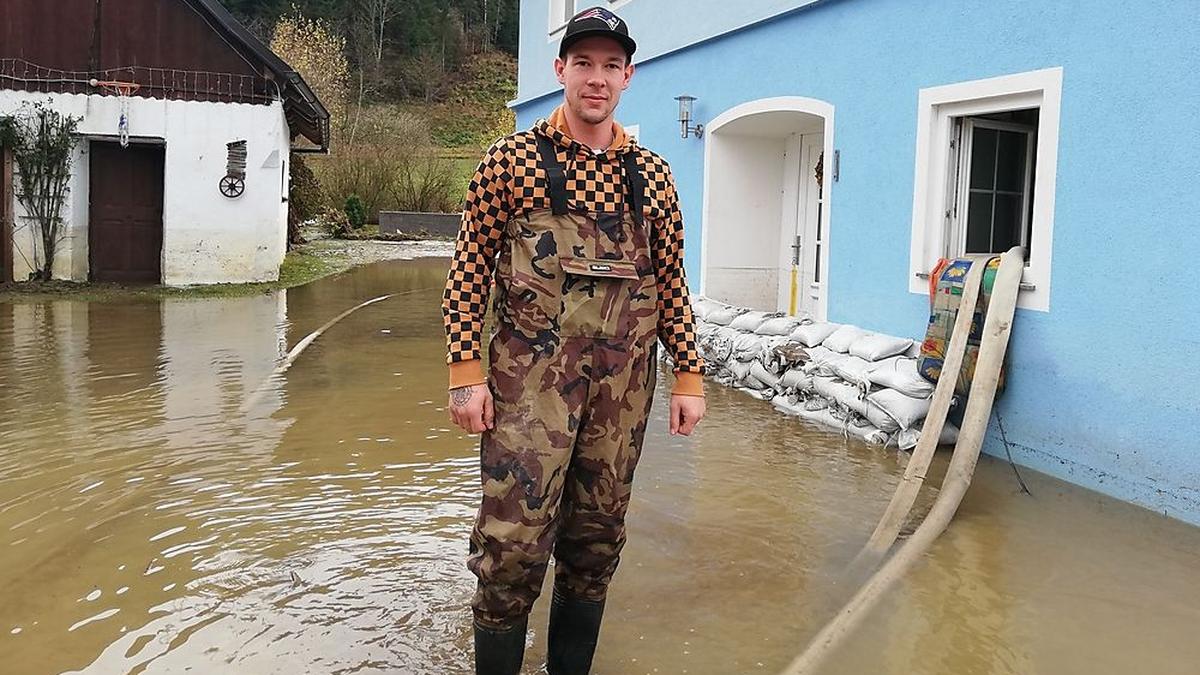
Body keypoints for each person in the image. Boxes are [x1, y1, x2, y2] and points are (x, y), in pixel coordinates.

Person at [441, 7, 706, 674]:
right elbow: (468, 269)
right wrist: (464, 372)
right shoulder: (510, 161)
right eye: (583, 63)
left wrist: (689, 375)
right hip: (527, 391)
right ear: (560, 69)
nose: (597, 78)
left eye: (610, 65)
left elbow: (671, 279)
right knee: (511, 548)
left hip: (622, 396)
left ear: (628, 76)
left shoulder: (653, 176)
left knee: (595, 545)